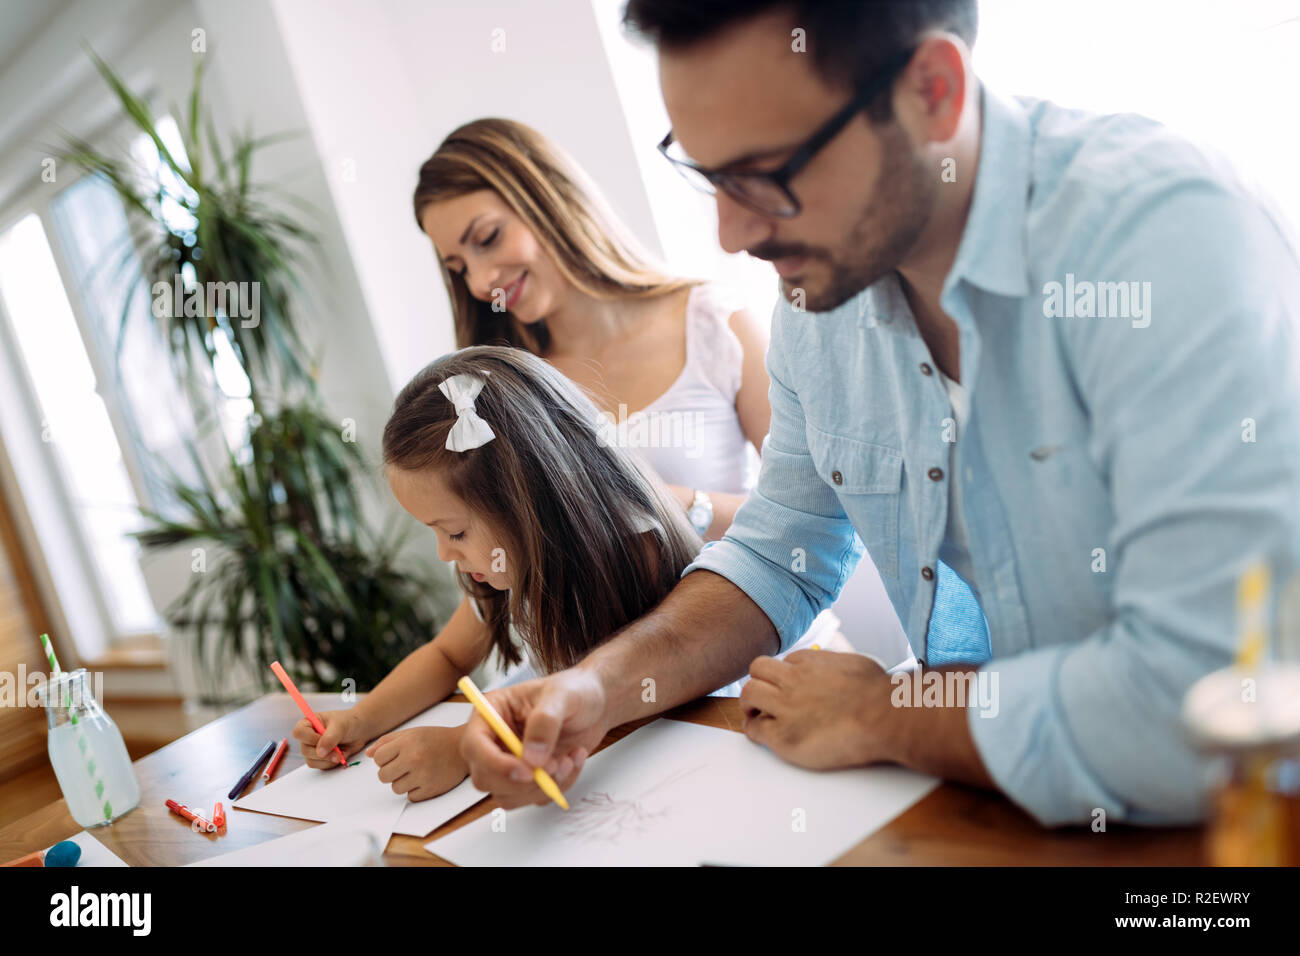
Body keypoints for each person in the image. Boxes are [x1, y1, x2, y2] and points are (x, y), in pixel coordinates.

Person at [454, 0, 1300, 826]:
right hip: (970, 805)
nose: (731, 233)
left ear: (932, 91)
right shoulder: (820, 308)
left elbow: (1213, 705)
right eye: (710, 176)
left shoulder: (1162, 242)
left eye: (768, 174)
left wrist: (889, 713)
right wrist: (599, 687)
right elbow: (777, 554)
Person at [411, 118, 910, 691]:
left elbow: (819, 508)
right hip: (612, 686)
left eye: (488, 238)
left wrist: (670, 503)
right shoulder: (501, 393)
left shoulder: (713, 325)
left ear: (546, 198)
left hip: (753, 657)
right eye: (457, 267)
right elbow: (489, 585)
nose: (479, 280)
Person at [291, 346, 698, 800]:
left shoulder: (637, 551)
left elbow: (637, 702)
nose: (445, 553)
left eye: (456, 532)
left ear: (528, 503)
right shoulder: (510, 569)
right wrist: (359, 720)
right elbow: (447, 656)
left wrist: (466, 748)